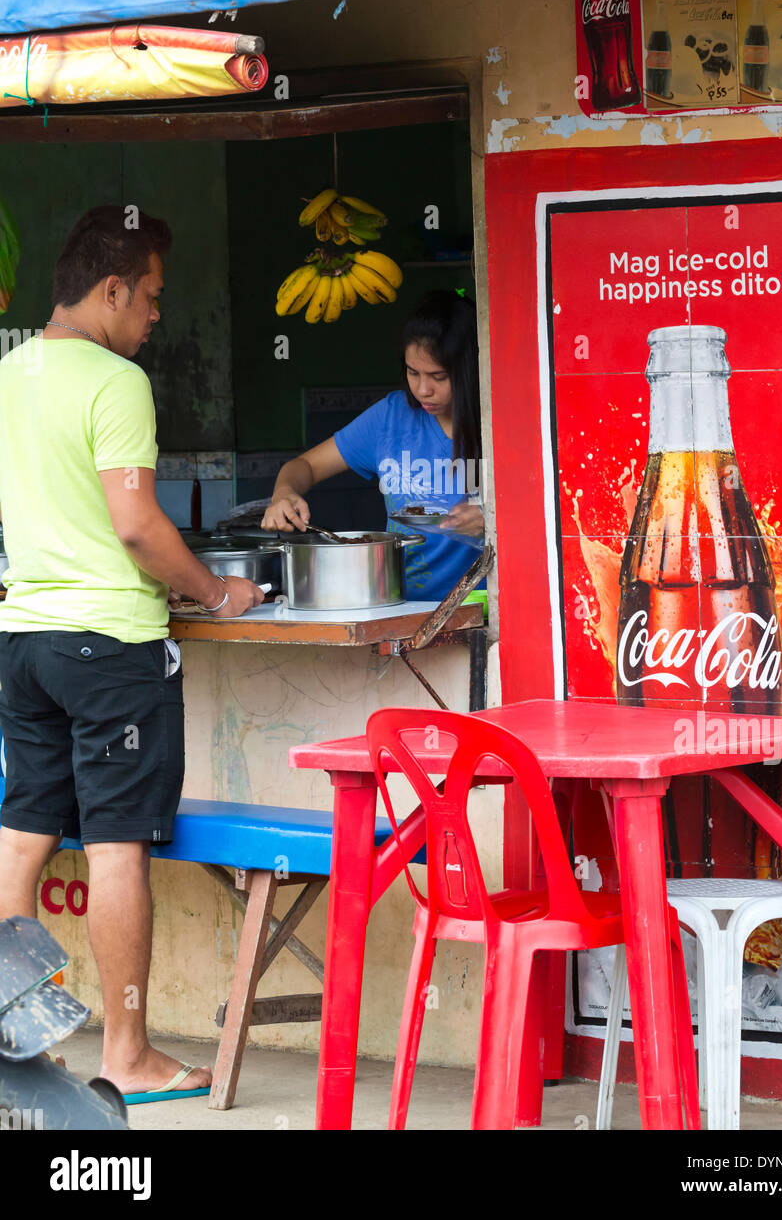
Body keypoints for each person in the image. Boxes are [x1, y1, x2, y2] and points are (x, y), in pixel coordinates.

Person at [0, 206, 262, 1102]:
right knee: (115, 849)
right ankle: (127, 1052)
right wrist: (217, 592)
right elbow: (137, 526)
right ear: (111, 289)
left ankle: (18, 1044)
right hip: (109, 648)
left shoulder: (10, 373)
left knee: (22, 837)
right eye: (150, 296)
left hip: (25, 640)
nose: (154, 316)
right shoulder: (116, 382)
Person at [262, 290, 484, 599]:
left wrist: (494, 519)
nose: (423, 389)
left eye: (439, 376)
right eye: (413, 372)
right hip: (396, 603)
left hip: (478, 605)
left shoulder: (502, 425)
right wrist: (284, 493)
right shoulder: (390, 418)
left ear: (469, 370)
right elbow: (305, 466)